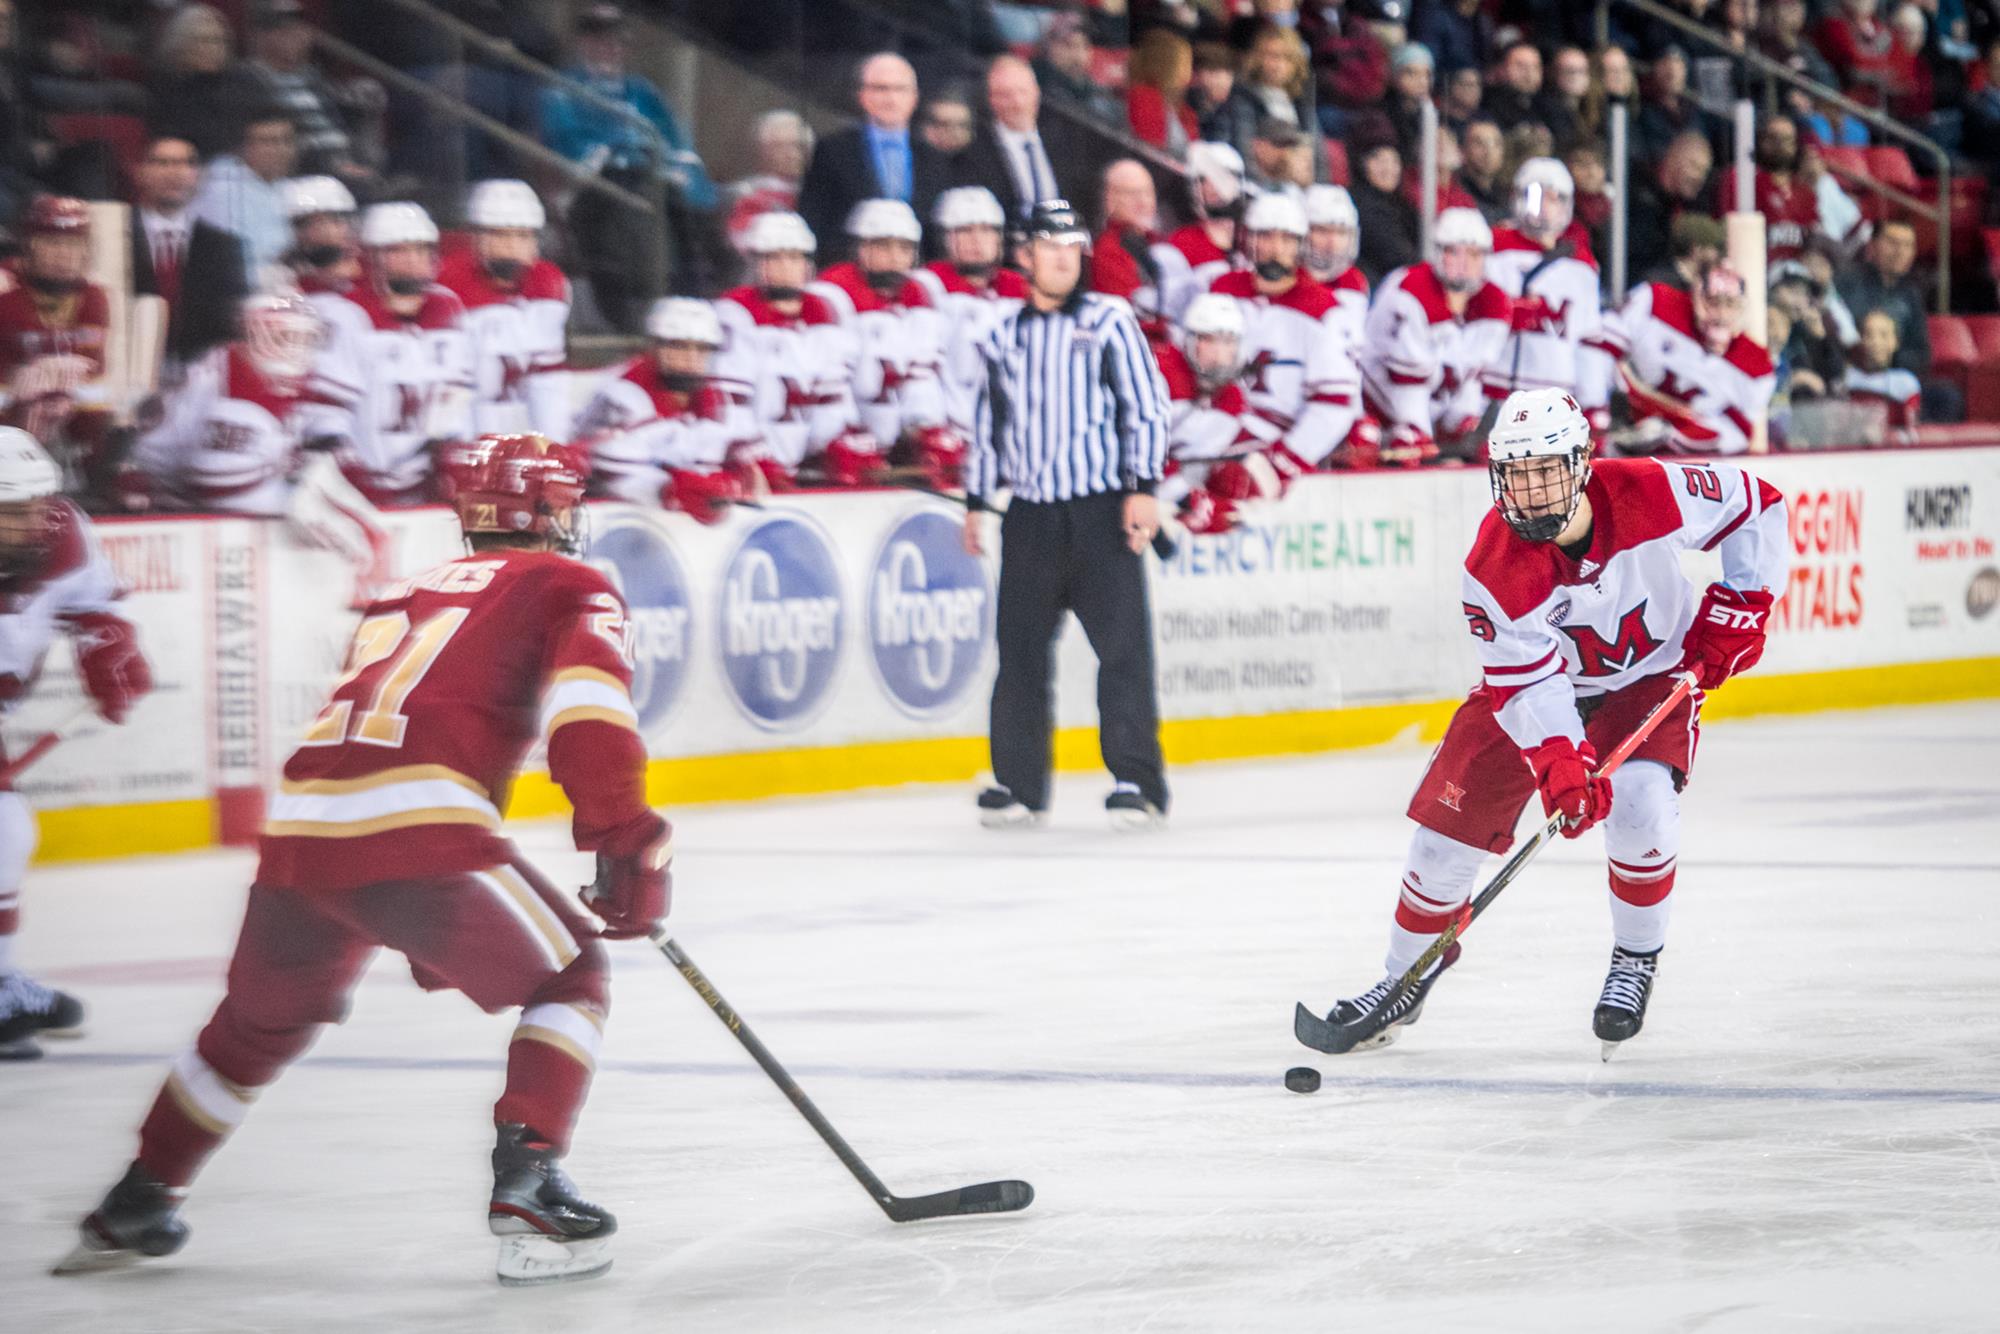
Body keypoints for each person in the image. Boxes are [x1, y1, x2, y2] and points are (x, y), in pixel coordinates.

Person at [56, 432, 672, 1284]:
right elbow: (590, 712)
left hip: (304, 832)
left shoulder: (401, 592)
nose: (573, 516)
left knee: (254, 1027)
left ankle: (137, 1196)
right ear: (544, 510)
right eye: (565, 501)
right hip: (420, 830)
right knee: (572, 978)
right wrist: (625, 843)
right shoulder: (573, 582)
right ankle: (530, 1183)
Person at [1308, 387, 1788, 1055]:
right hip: (1542, 690)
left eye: (1546, 472)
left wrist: (1743, 602)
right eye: (1516, 475)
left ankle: (1633, 960)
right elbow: (1528, 683)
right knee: (1444, 841)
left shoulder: (1651, 490)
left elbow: (1755, 507)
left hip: (1647, 677)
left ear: (1583, 462)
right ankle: (1401, 981)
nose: (1531, 493)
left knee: (1643, 803)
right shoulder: (1492, 567)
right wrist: (1562, 761)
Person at [967, 200, 1170, 830]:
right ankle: (1019, 783)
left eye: (1072, 245)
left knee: (1122, 651)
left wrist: (1143, 487)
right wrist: (977, 501)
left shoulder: (1110, 320)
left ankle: (1136, 779)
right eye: (1049, 245)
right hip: (1029, 516)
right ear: (1023, 255)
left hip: (1101, 512)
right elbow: (986, 425)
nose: (1063, 256)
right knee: (1020, 653)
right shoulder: (1002, 335)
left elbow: (1147, 406)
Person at [0, 429, 151, 1059]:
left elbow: (93, 606)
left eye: (40, 504)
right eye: (16, 511)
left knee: (6, 832)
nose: (37, 521)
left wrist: (107, 643)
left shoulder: (63, 530)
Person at [546, 3, 721, 325]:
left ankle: (700, 298)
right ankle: (639, 310)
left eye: (616, 40)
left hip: (652, 184)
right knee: (640, 205)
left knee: (693, 213)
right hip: (596, 191)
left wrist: (683, 178)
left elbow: (675, 142)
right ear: (583, 43)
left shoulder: (641, 90)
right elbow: (569, 153)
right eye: (600, 40)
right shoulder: (563, 91)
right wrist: (616, 155)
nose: (609, 48)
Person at [306, 202, 474, 506]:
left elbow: (455, 397)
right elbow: (324, 417)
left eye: (421, 250)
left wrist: (448, 452)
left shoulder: (446, 307)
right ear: (372, 256)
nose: (413, 261)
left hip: (425, 485)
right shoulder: (345, 314)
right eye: (399, 251)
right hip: (363, 487)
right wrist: (346, 472)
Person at [1209, 193, 1369, 472]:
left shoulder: (1324, 310)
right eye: (1266, 237)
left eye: (1286, 239)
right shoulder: (1221, 290)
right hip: (1214, 436)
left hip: (1277, 444)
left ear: (1301, 244)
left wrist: (1287, 459)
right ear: (1248, 239)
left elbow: (1334, 405)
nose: (1275, 248)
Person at [711, 211, 867, 488]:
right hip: (746, 477)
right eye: (774, 258)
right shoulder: (736, 315)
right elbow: (726, 406)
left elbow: (833, 400)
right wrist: (752, 455)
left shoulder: (823, 315)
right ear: (756, 264)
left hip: (795, 470)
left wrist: (839, 443)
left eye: (794, 257)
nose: (785, 267)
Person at [574, 297, 761, 519]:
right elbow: (607, 470)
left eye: (701, 350)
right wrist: (670, 488)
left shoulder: (714, 398)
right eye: (680, 347)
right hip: (610, 523)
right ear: (656, 346)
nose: (691, 359)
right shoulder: (624, 393)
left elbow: (746, 460)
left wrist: (739, 478)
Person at [808, 199, 950, 486]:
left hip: (893, 450)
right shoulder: (832, 294)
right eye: (884, 246)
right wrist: (842, 437)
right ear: (861, 248)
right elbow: (829, 385)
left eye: (904, 248)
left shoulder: (918, 293)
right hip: (833, 453)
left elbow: (921, 376)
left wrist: (926, 432)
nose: (895, 257)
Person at [1359, 206, 1513, 464]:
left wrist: (1463, 420)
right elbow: (1408, 382)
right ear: (1438, 253)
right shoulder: (1413, 292)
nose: (1464, 264)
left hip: (1432, 405)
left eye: (1473, 254)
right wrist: (1417, 430)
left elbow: (1471, 373)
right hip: (1374, 406)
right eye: (1454, 252)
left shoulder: (1494, 302)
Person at [1593, 261, 1776, 456]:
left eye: (1730, 304)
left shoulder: (1757, 368)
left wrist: (1672, 437)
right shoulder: (1656, 303)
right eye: (1714, 302)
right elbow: (1598, 346)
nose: (1721, 314)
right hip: (1620, 423)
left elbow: (1737, 436)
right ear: (1697, 297)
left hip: (1685, 459)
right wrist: (1595, 409)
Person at [436, 180, 573, 441]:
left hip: (515, 428)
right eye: (500, 234)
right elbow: (448, 387)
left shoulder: (548, 283)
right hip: (465, 427)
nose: (512, 246)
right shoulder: (448, 286)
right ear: (476, 237)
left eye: (522, 235)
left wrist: (555, 446)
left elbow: (546, 382)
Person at [1480, 158, 1605, 427]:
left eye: (1555, 198)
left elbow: (1588, 340)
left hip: (1556, 402)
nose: (1545, 207)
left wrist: (1594, 403)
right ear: (1517, 198)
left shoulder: (1581, 265)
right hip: (1494, 395)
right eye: (1536, 196)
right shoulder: (1491, 248)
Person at [797, 53, 950, 264]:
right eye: (880, 89)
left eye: (900, 89)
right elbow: (815, 220)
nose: (891, 98)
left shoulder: (933, 156)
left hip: (917, 275)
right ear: (862, 95)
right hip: (851, 273)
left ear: (914, 98)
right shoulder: (833, 150)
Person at [1155, 292, 1282, 535]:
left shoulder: (1232, 396)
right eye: (1209, 340)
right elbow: (1136, 455)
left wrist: (1204, 496)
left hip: (1166, 493)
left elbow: (1198, 460)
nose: (1218, 353)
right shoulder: (1160, 374)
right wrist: (1187, 499)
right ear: (1190, 341)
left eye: (1228, 342)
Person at [913, 187, 1026, 459]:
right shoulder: (927, 287)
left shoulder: (1018, 288)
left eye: (986, 230)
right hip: (953, 439)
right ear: (946, 238)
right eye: (965, 230)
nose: (977, 240)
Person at [0, 196, 111, 469]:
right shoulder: (7, 297)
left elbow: (90, 374)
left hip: (71, 430)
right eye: (52, 243)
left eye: (74, 244)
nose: (64, 254)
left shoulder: (94, 297)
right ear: (29, 248)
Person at [129, 134, 248, 369]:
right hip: (128, 368)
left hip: (199, 376)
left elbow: (229, 324)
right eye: (162, 163)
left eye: (186, 163)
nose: (174, 173)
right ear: (140, 173)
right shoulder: (117, 234)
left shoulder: (224, 246)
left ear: (200, 176)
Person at [236, 0, 368, 186]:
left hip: (346, 163)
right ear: (260, 37)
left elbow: (338, 123)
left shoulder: (312, 76)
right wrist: (332, 166)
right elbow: (280, 140)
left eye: (297, 28)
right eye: (282, 31)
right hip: (304, 173)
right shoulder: (247, 79)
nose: (294, 36)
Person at [954, 55, 1087, 220]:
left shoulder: (1065, 142)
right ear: (991, 100)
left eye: (1023, 92)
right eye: (1005, 95)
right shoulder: (975, 152)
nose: (1017, 103)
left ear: (1036, 93)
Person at [190, 104, 300, 287]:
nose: (281, 149)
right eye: (269, 142)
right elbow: (228, 266)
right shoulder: (220, 190)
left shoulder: (288, 186)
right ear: (244, 147)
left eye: (286, 141)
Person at [1152, 141, 1248, 324]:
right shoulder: (1182, 242)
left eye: (1224, 177)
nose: (1215, 187)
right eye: (1206, 180)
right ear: (1196, 185)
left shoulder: (1254, 240)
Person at [1712, 116, 1818, 266]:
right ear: (1761, 141)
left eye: (1787, 139)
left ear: (1795, 146)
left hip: (1797, 274)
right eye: (1773, 138)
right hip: (1752, 268)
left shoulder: (1805, 192)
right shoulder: (1742, 179)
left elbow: (1812, 237)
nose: (1780, 145)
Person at [1624, 132, 1716, 287]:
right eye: (1694, 166)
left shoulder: (1693, 206)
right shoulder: (1637, 197)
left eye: (1704, 171)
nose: (1699, 177)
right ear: (1672, 158)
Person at [722, 110, 814, 252]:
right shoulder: (745, 195)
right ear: (762, 150)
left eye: (798, 146)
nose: (791, 154)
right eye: (780, 146)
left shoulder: (815, 192)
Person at [1302, 183, 1367, 356]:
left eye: (1341, 233)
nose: (1332, 243)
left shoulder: (1354, 281)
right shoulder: (1286, 280)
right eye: (1322, 231)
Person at [1844, 308, 1922, 444]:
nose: (1876, 342)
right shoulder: (1846, 378)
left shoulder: (1906, 382)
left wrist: (1886, 436)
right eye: (1869, 335)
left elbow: (1912, 433)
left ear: (1895, 342)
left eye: (1884, 335)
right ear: (1860, 340)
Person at [1033, 13, 1121, 124]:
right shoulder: (1036, 89)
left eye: (1085, 45)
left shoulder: (1097, 93)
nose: (1078, 55)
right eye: (1068, 45)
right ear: (1048, 46)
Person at [1125, 26, 1199, 152]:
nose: (1189, 72)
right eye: (1183, 64)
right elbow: (1151, 147)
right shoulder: (1144, 97)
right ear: (1162, 65)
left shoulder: (1183, 110)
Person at [1454, 117, 1510, 224]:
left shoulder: (1508, 197)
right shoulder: (1454, 194)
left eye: (1496, 144)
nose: (1488, 152)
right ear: (1462, 151)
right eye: (1479, 143)